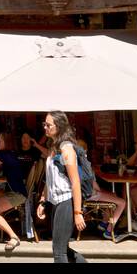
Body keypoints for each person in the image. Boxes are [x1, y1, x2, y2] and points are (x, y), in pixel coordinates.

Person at [36, 111, 86, 263]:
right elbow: (50, 179)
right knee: (62, 248)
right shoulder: (53, 147)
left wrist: (78, 212)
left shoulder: (66, 149)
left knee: (59, 252)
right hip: (55, 202)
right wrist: (43, 201)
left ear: (59, 126)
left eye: (48, 125)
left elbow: (75, 182)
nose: (45, 127)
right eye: (44, 124)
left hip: (66, 202)